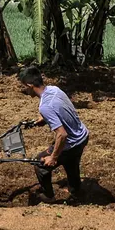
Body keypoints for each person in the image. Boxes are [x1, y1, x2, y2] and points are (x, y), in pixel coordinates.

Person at [18, 64, 89, 201]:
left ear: (30, 85)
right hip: (82, 136)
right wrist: (43, 119)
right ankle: (76, 192)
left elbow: (62, 134)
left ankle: (48, 196)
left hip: (72, 141)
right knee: (71, 162)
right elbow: (61, 109)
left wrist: (53, 157)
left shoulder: (45, 106)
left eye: (24, 87)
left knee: (40, 165)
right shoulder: (54, 89)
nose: (25, 90)